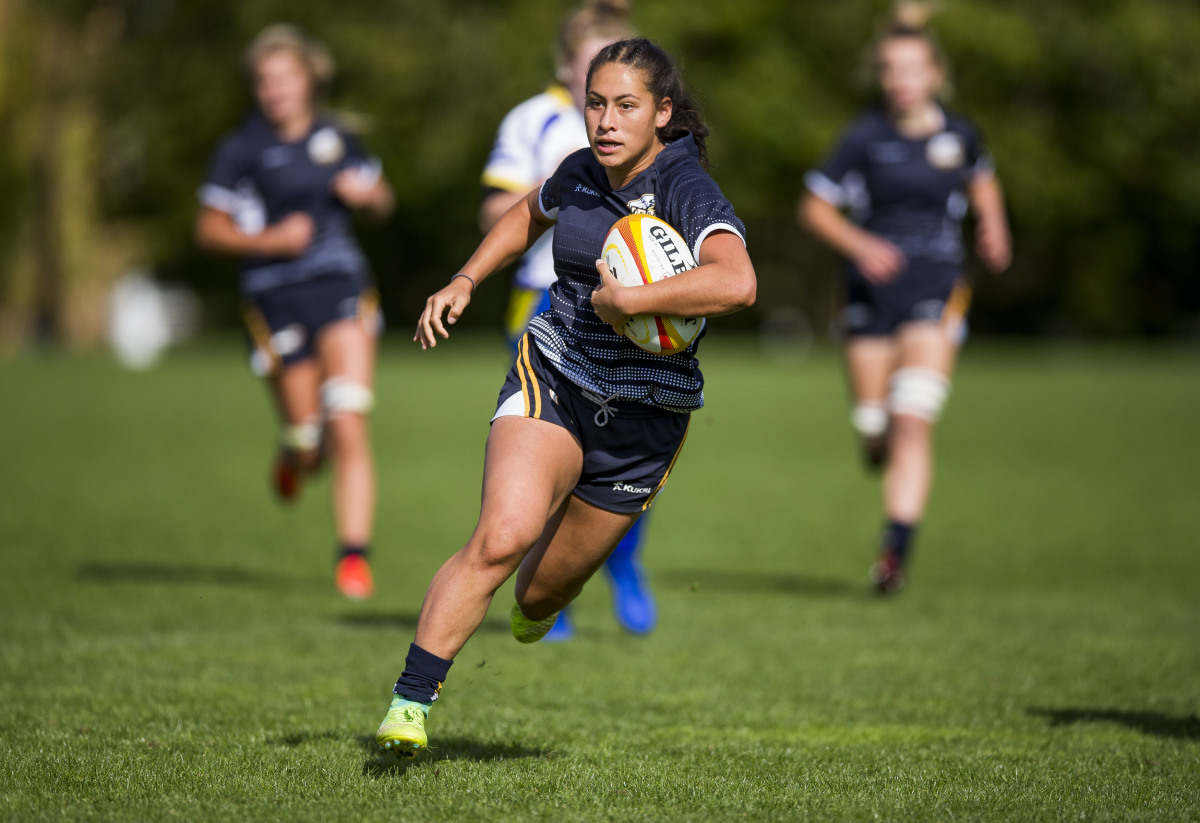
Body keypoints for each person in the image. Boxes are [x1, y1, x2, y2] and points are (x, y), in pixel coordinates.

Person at [375, 38, 755, 757]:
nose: (606, 121)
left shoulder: (686, 189)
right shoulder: (581, 171)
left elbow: (737, 283)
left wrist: (633, 300)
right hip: (556, 367)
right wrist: (465, 278)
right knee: (503, 534)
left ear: (662, 113)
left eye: (626, 106)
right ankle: (410, 701)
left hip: (647, 416)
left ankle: (538, 604)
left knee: (538, 594)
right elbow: (528, 211)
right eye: (596, 103)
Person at [798, 3, 1011, 594]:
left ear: (935, 74)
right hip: (869, 294)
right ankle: (875, 439)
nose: (901, 80)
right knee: (877, 428)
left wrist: (995, 225)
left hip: (938, 285)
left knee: (912, 419)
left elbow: (983, 178)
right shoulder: (863, 138)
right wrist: (860, 243)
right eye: (890, 69)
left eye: (912, 68)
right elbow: (813, 208)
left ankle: (894, 554)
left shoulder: (960, 133)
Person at [195, 24, 394, 600]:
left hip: (341, 283)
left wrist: (368, 196)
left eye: (285, 77)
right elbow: (208, 228)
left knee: (349, 417)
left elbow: (383, 198)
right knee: (311, 442)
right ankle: (294, 450)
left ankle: (353, 555)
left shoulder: (339, 137)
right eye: (264, 80)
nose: (275, 90)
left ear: (309, 79)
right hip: (273, 296)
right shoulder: (240, 151)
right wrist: (270, 241)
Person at [479, 0, 656, 640]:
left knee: (628, 451)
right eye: (594, 76)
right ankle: (553, 590)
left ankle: (624, 565)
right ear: (568, 68)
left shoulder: (650, 131)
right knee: (554, 458)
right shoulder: (536, 120)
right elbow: (496, 207)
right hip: (544, 302)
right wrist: (553, 192)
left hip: (629, 313)